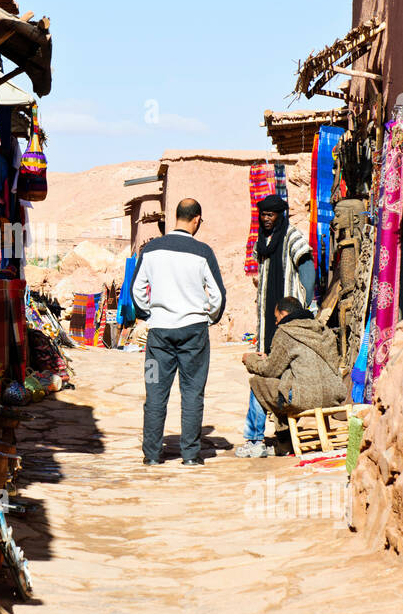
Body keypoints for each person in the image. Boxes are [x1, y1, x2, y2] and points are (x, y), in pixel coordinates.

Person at [132, 198, 226, 466]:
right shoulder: (203, 252)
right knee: (193, 392)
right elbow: (217, 295)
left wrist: (149, 314)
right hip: (194, 335)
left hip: (158, 337)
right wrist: (208, 317)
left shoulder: (151, 250)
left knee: (154, 392)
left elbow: (137, 290)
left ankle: (151, 455)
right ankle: (191, 456)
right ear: (196, 219)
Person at [236, 194, 315, 458]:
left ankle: (262, 438)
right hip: (270, 322)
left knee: (269, 379)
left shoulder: (293, 237)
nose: (266, 220)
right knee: (271, 376)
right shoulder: (264, 242)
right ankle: (279, 438)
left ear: (280, 216)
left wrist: (303, 305)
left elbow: (307, 269)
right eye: (263, 215)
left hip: (288, 321)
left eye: (271, 215)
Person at [241, 297, 345, 429]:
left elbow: (270, 370)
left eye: (277, 317)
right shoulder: (323, 330)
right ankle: (284, 437)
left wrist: (250, 359)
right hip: (334, 395)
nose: (276, 322)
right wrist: (269, 357)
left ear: (283, 314)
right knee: (286, 379)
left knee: (258, 383)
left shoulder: (286, 331)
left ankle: (254, 441)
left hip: (306, 397)